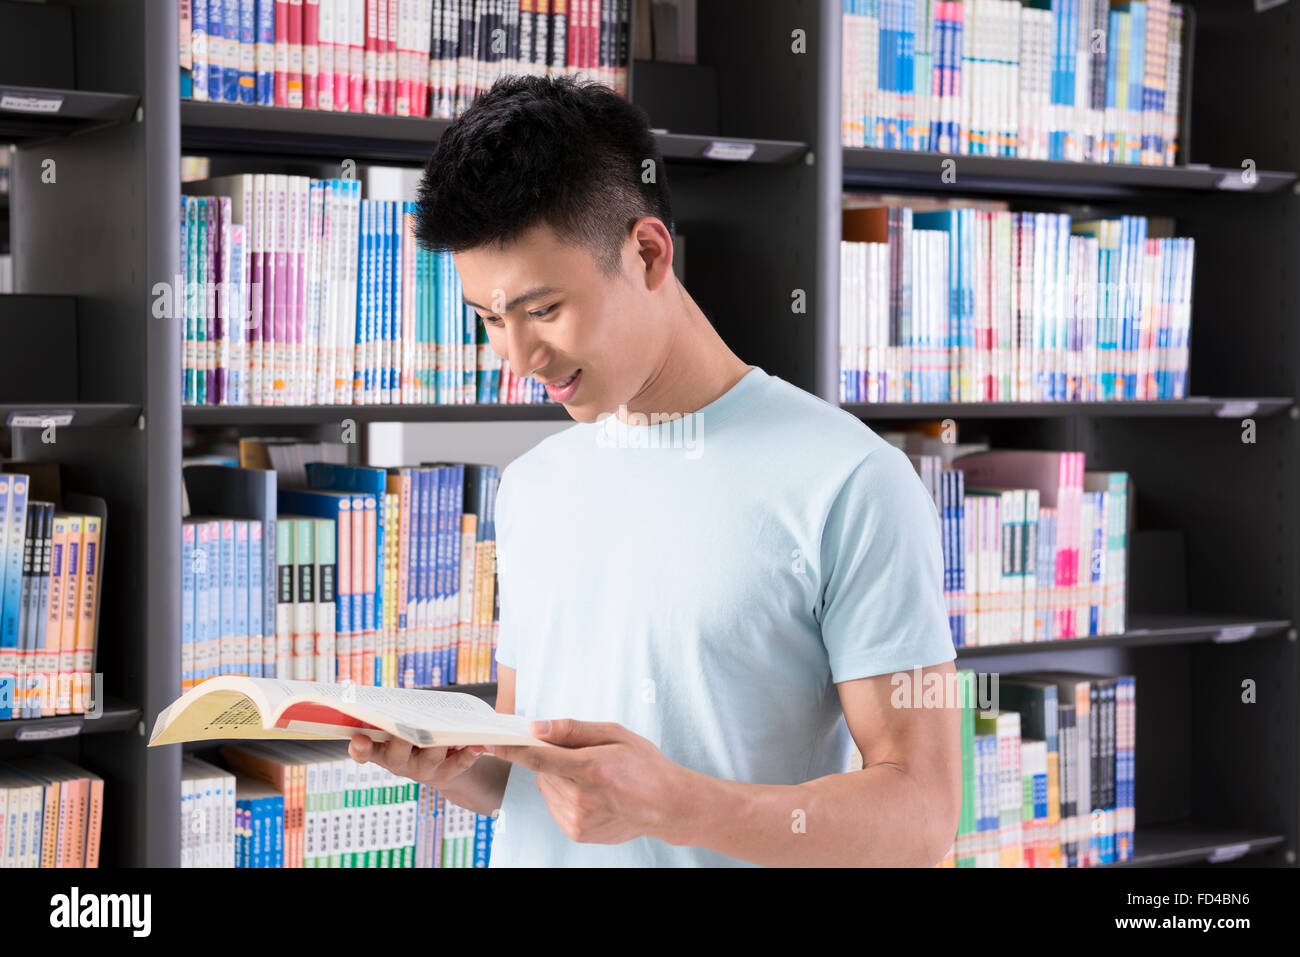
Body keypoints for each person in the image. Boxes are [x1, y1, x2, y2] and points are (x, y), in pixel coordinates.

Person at [348, 73, 961, 866]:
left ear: (646, 251)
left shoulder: (854, 482)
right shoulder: (533, 484)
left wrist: (678, 805)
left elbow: (922, 816)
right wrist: (453, 761)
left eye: (541, 310)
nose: (519, 356)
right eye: (490, 319)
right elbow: (539, 767)